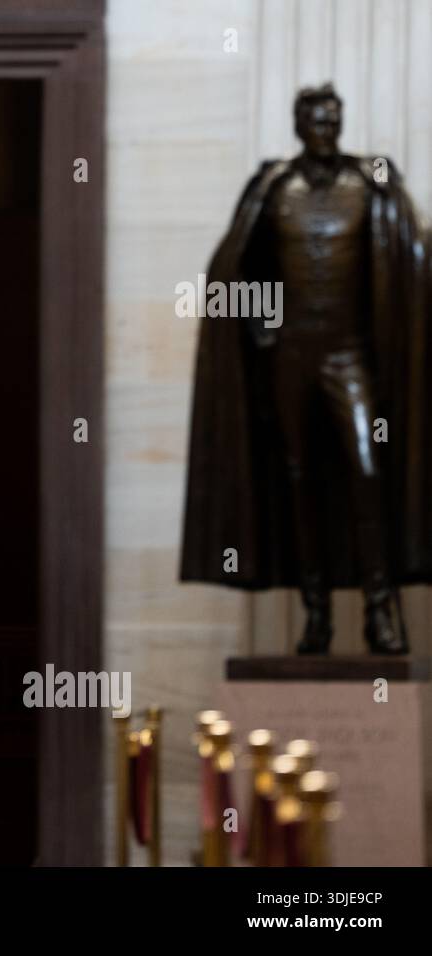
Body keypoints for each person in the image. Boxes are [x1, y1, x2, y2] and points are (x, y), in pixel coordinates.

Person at [181, 84, 429, 655]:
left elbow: (407, 244)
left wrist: (391, 184)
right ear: (300, 125)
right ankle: (316, 614)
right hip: (291, 356)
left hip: (350, 353)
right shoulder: (274, 188)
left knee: (367, 470)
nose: (327, 129)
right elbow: (239, 267)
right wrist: (262, 328)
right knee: (299, 480)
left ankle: (379, 610)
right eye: (317, 120)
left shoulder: (368, 183)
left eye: (334, 119)